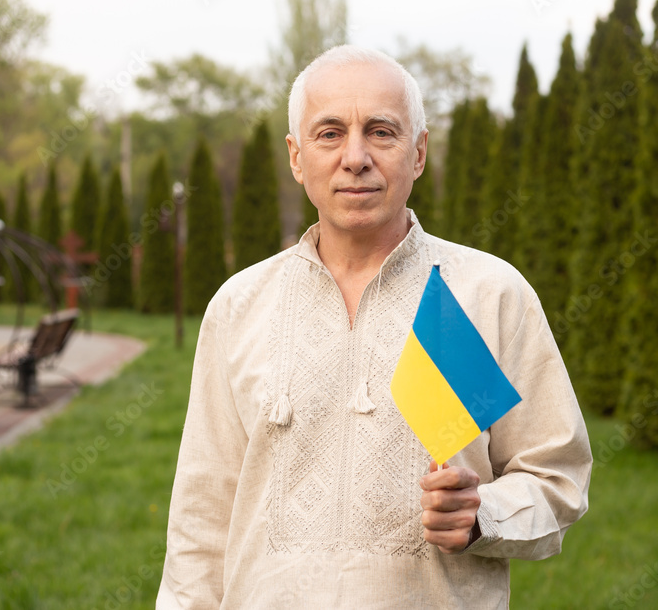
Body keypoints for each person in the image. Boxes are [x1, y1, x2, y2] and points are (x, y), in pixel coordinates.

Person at [157, 45, 592, 609]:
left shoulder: (484, 296)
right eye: (330, 133)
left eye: (382, 132)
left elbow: (557, 476)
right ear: (296, 157)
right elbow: (201, 517)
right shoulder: (239, 306)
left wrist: (483, 514)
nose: (355, 157)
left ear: (419, 152)